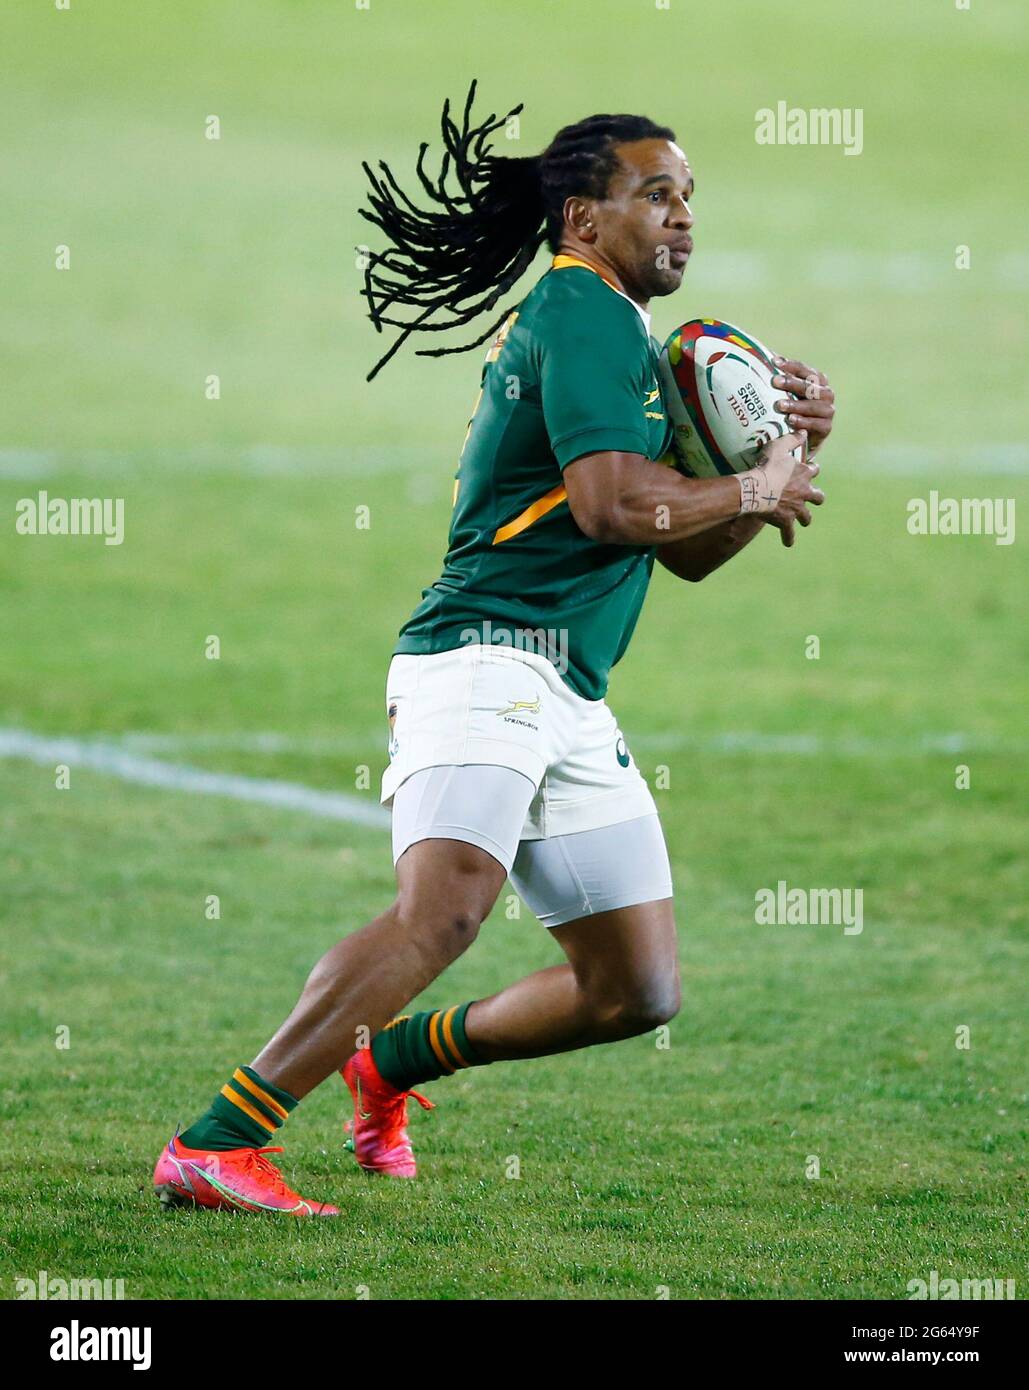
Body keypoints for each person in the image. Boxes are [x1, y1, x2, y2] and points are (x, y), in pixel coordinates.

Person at [154, 84, 834, 1215]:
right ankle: (217, 1141)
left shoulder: (623, 331)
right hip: (486, 656)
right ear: (583, 218)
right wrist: (746, 482)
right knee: (446, 910)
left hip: (567, 686)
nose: (682, 218)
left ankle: (392, 1061)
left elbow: (685, 552)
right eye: (655, 194)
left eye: (690, 198)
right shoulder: (577, 312)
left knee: (634, 988)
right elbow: (616, 505)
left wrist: (776, 476)